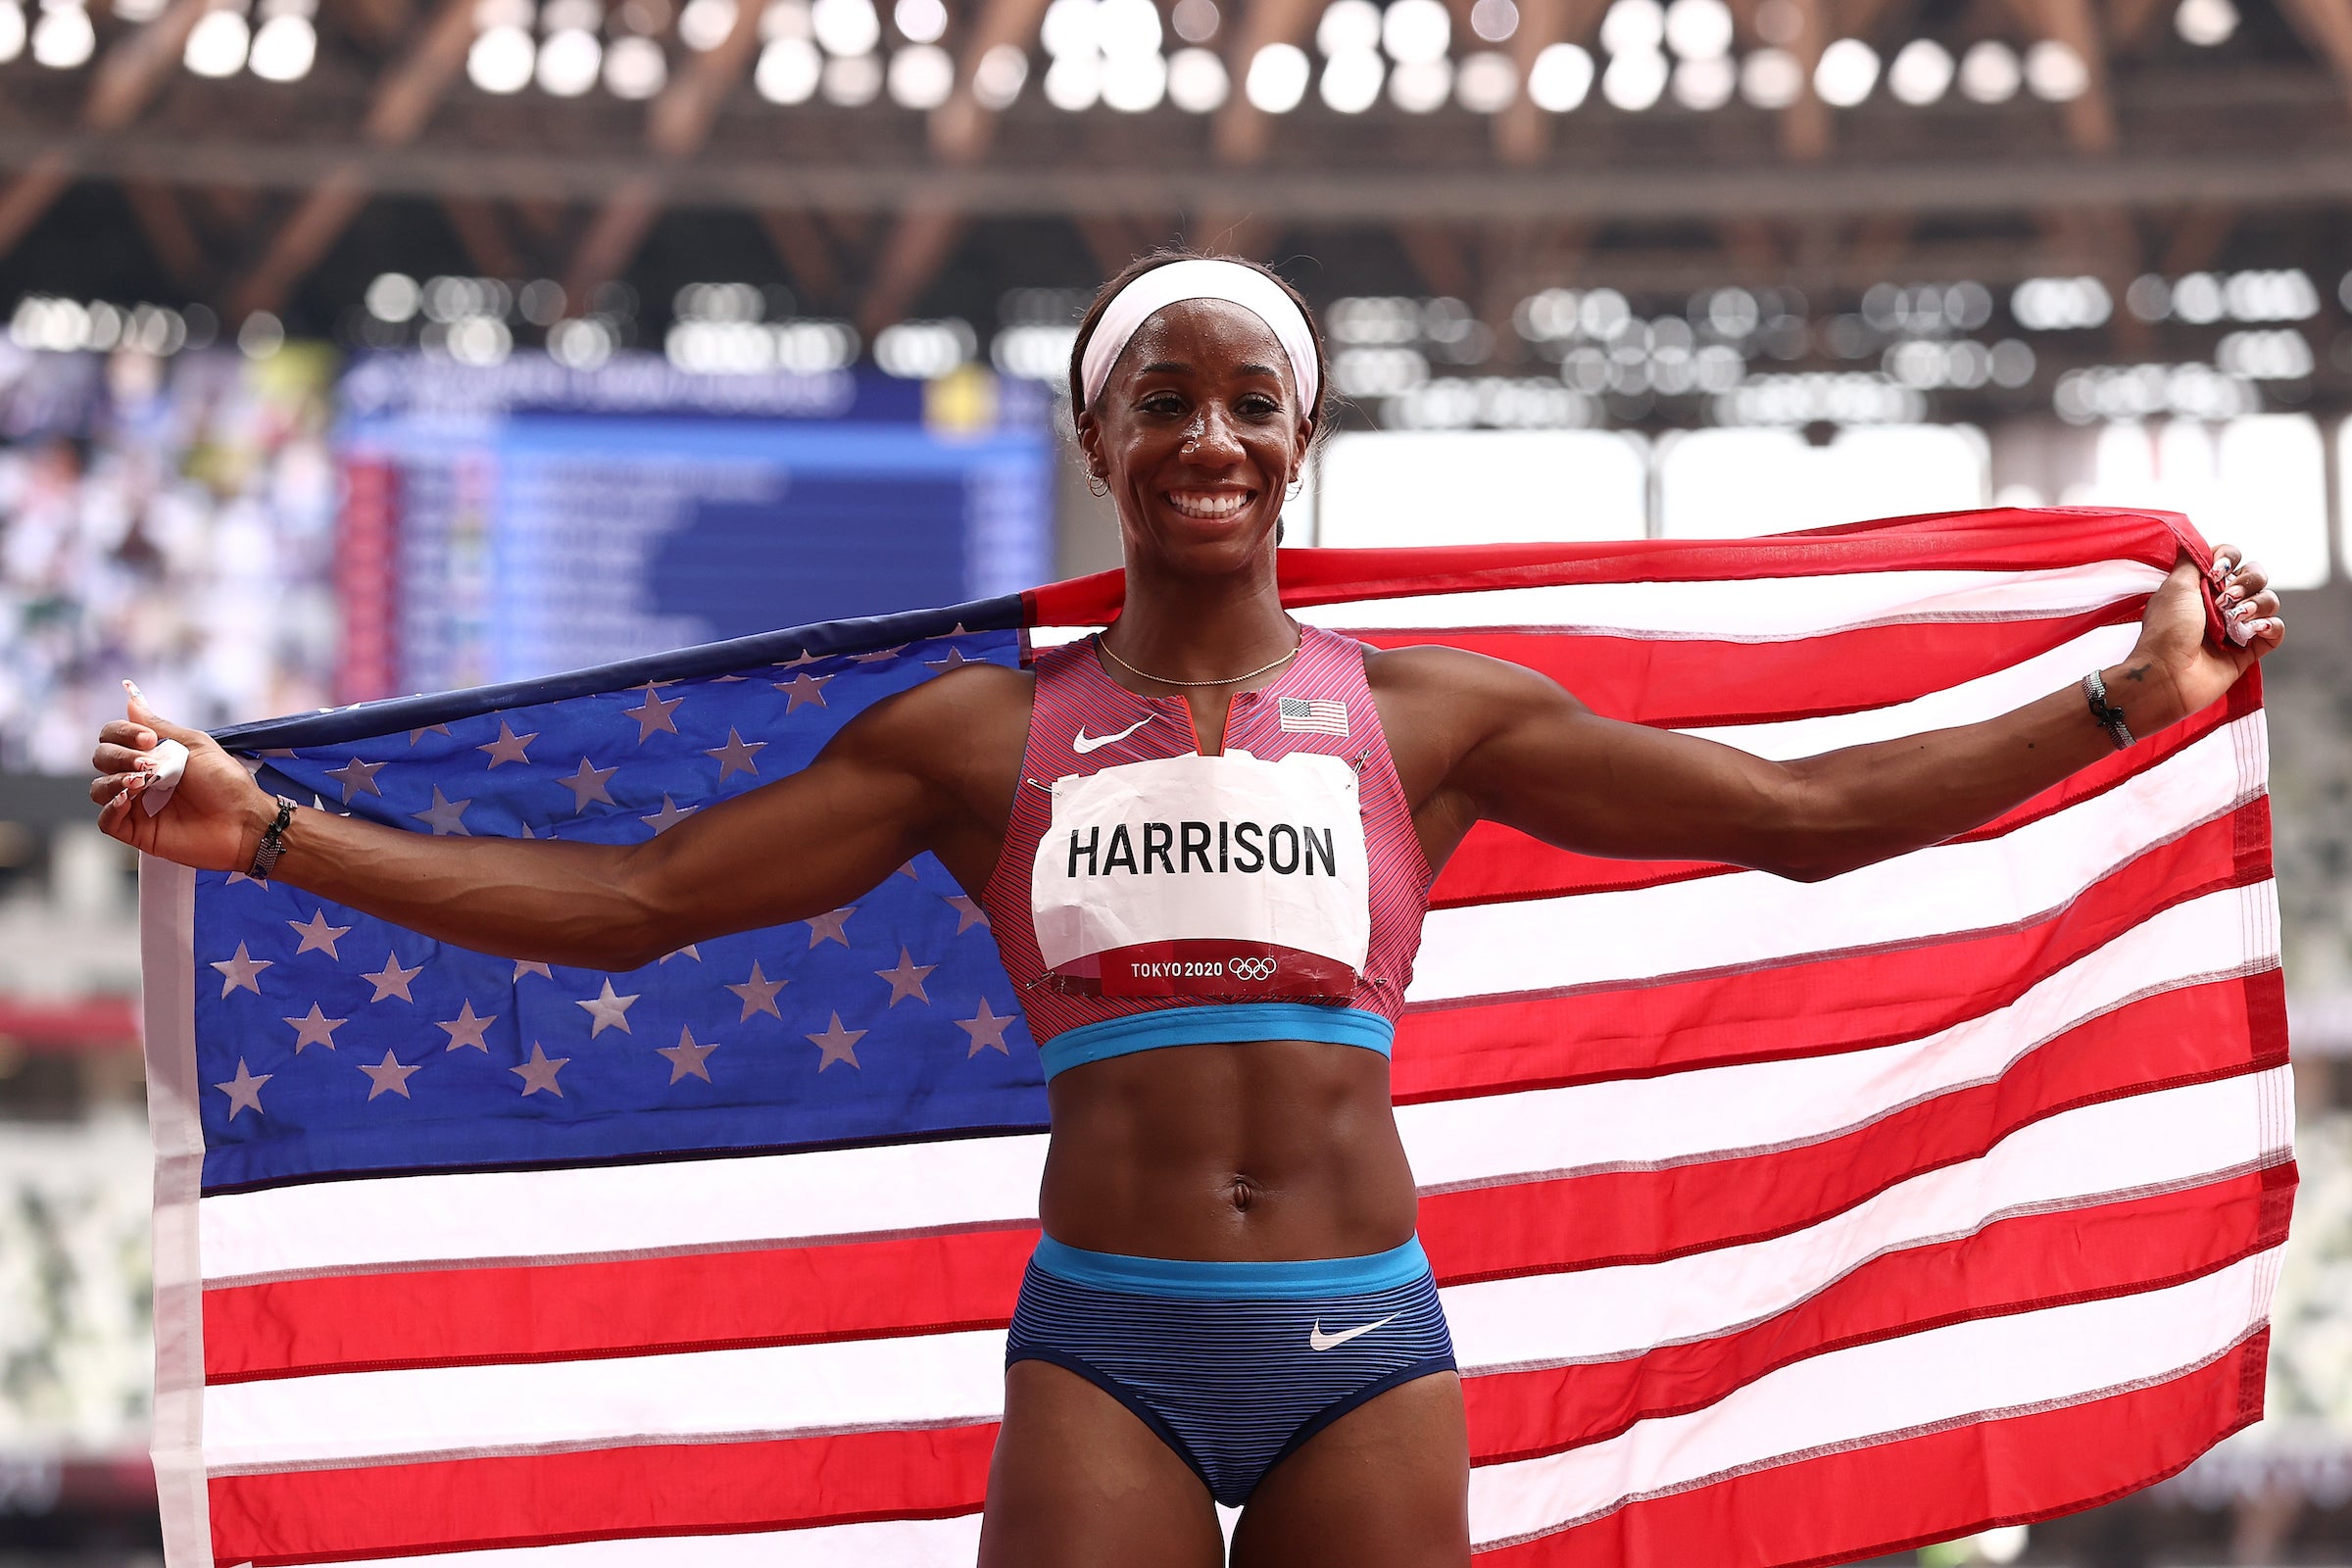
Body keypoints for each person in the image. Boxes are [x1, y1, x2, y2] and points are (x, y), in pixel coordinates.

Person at [90, 250, 2286, 1568]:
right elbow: (634, 902)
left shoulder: (1430, 716)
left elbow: (1806, 811)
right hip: (1107, 1350)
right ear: (1106, 436)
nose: (1211, 433)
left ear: (1297, 440)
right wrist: (264, 826)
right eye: (1169, 399)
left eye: (1252, 400)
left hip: (1364, 1347)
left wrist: (2123, 691)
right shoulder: (976, 736)